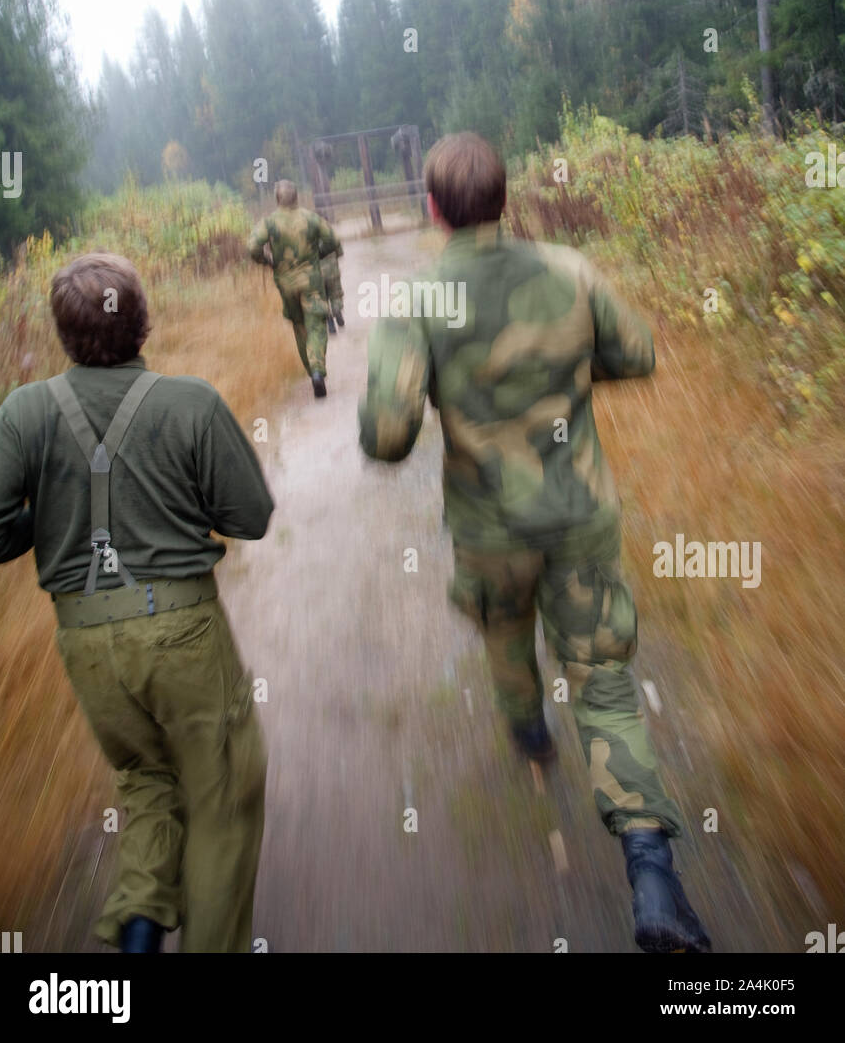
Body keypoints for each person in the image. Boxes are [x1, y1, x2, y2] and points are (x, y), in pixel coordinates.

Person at [358, 132, 711, 954]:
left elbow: (386, 438)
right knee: (606, 681)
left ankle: (527, 731)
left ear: (434, 207)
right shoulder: (570, 269)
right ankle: (652, 872)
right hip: (580, 515)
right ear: (504, 197)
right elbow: (640, 352)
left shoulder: (417, 302)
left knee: (506, 632)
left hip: (491, 532)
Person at [0, 252, 272, 953]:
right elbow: (251, 516)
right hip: (182, 635)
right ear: (141, 322)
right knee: (222, 795)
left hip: (85, 643)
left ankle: (140, 929)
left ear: (62, 331)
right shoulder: (191, 402)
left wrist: (48, 518)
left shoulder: (23, 412)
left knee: (146, 780)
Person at [248, 180, 342, 398]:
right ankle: (318, 370)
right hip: (311, 281)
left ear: (277, 199)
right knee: (316, 324)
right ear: (297, 196)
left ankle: (311, 373)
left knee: (300, 327)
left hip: (286, 283)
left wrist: (267, 260)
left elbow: (252, 246)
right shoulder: (310, 218)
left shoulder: (269, 222)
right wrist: (318, 254)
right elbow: (333, 240)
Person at [321, 249, 345, 334]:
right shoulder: (329, 235)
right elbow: (340, 252)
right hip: (332, 271)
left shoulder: (306, 237)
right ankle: (337, 312)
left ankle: (331, 325)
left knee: (323, 299)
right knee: (335, 295)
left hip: (318, 275)